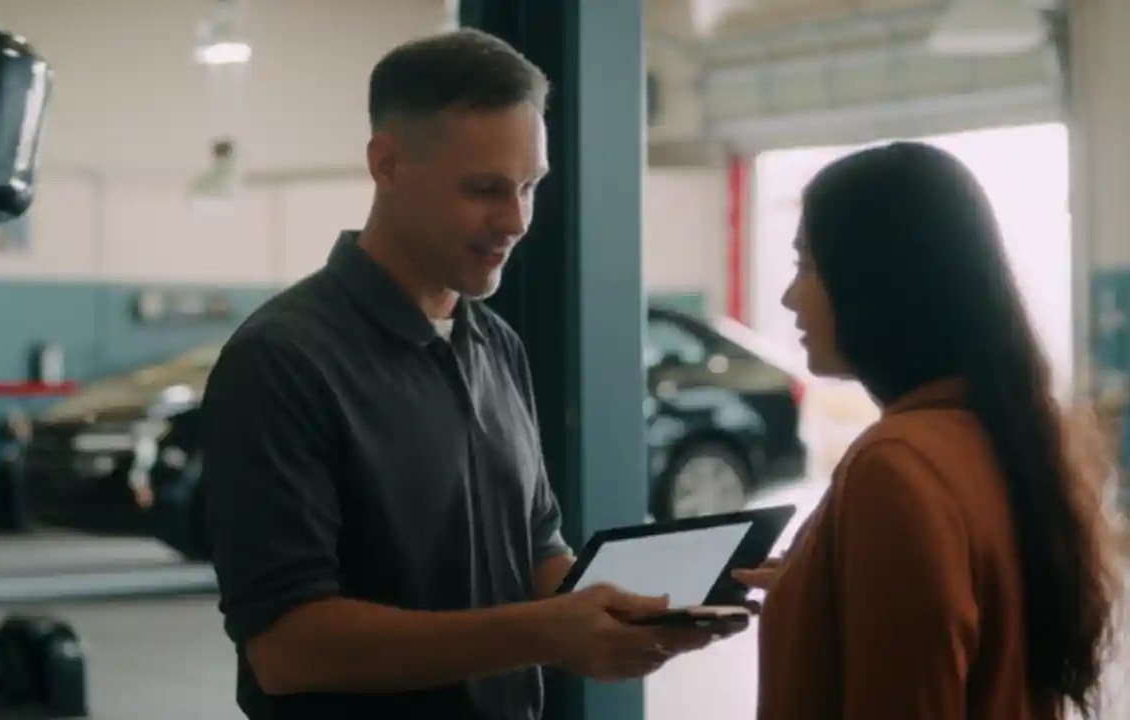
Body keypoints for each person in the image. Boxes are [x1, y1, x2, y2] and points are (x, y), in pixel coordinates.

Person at [201, 29, 736, 720]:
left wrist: (646, 608)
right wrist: (546, 632)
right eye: (484, 189)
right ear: (387, 164)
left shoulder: (496, 346)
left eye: (530, 187)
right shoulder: (281, 361)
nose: (515, 220)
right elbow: (287, 649)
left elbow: (538, 549)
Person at [734, 142, 1121, 719]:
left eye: (807, 266)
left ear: (878, 280)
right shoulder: (998, 435)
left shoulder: (896, 466)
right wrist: (817, 587)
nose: (791, 296)